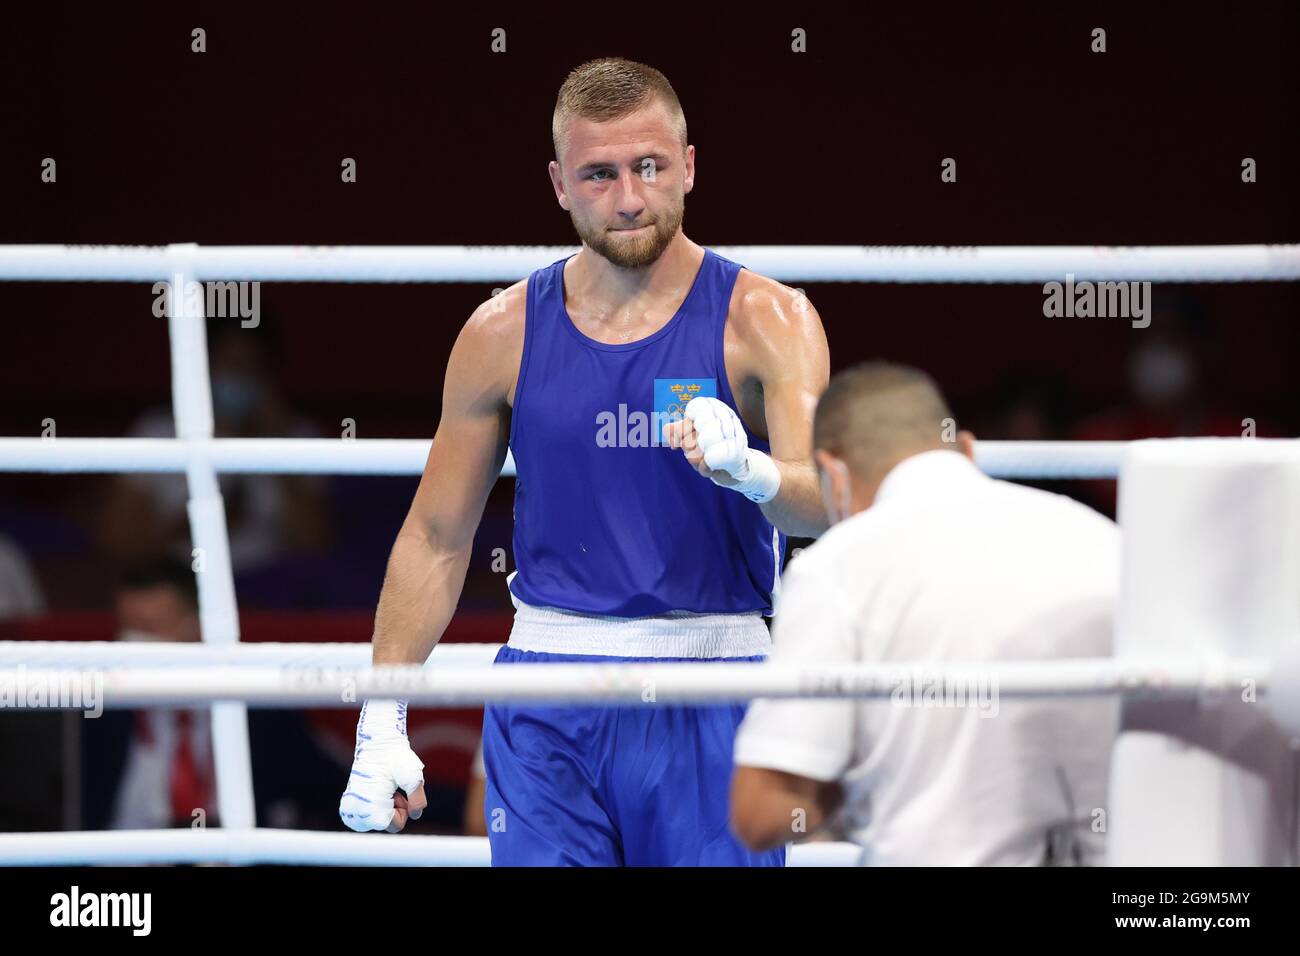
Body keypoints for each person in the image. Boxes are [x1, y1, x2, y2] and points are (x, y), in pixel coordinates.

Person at [339, 56, 831, 866]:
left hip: (715, 682)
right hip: (548, 693)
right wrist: (382, 715)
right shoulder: (500, 333)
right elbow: (435, 536)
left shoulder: (769, 319)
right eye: (599, 174)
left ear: (689, 167)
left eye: (649, 167)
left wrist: (754, 472)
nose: (629, 197)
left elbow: (822, 503)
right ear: (559, 185)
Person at [730, 361, 1120, 865]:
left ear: (834, 476)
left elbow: (762, 813)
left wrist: (866, 768)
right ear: (968, 450)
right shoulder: (1101, 539)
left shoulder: (838, 568)